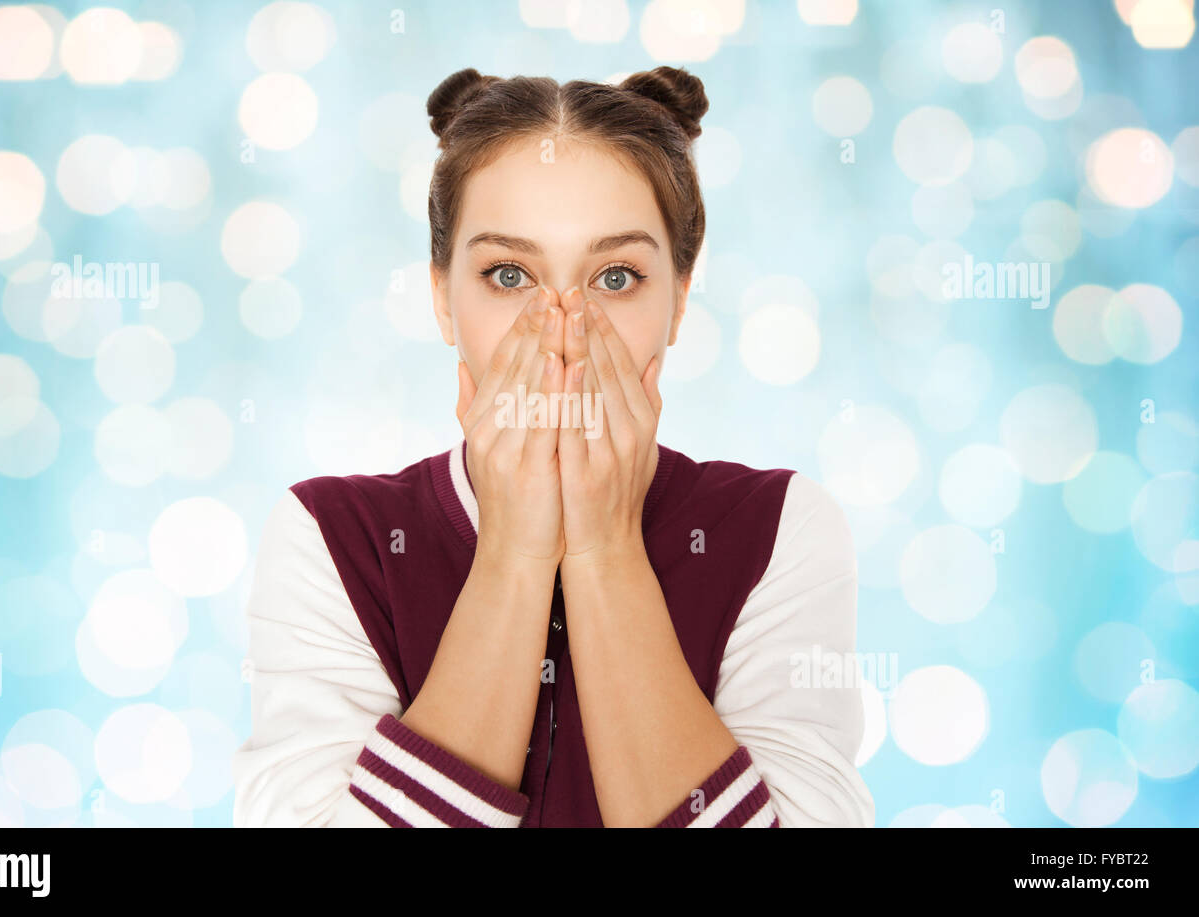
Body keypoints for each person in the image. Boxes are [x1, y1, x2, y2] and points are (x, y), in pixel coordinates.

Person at [233, 66, 875, 828]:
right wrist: (514, 552)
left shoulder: (779, 530)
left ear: (679, 295)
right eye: (508, 274)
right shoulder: (334, 538)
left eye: (615, 276)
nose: (564, 330)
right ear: (443, 295)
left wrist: (605, 548)